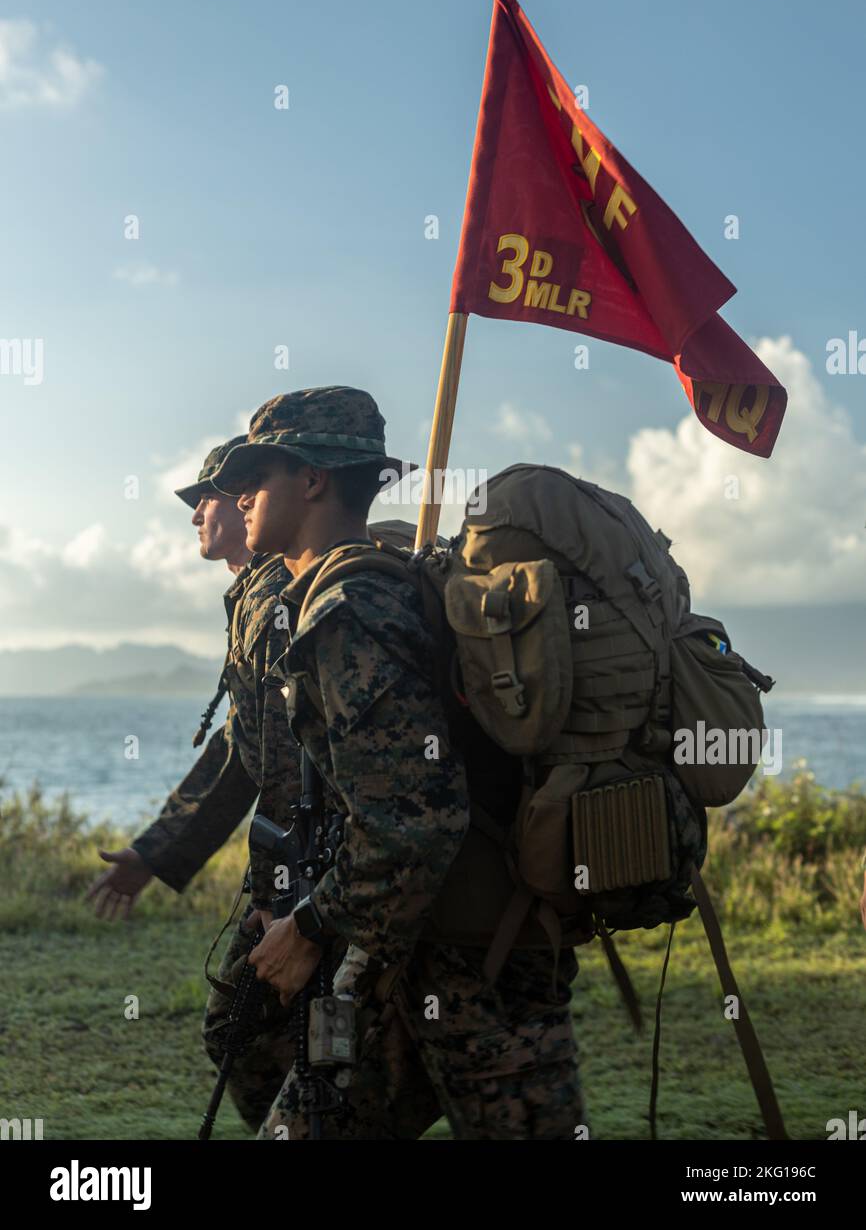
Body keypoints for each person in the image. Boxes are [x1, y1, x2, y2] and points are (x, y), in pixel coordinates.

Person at [211, 387, 585, 1140]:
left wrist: (311, 924)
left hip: (474, 960)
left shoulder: (352, 608)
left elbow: (414, 819)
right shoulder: (339, 589)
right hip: (414, 947)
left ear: (314, 480)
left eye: (258, 472)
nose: (238, 492)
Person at [86, 436, 299, 1132]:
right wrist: (156, 854)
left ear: (248, 500)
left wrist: (289, 894)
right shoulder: (257, 594)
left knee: (247, 1035)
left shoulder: (278, 597)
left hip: (317, 883)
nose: (195, 513)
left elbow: (284, 764)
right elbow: (244, 748)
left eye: (204, 496)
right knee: (260, 1039)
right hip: (315, 883)